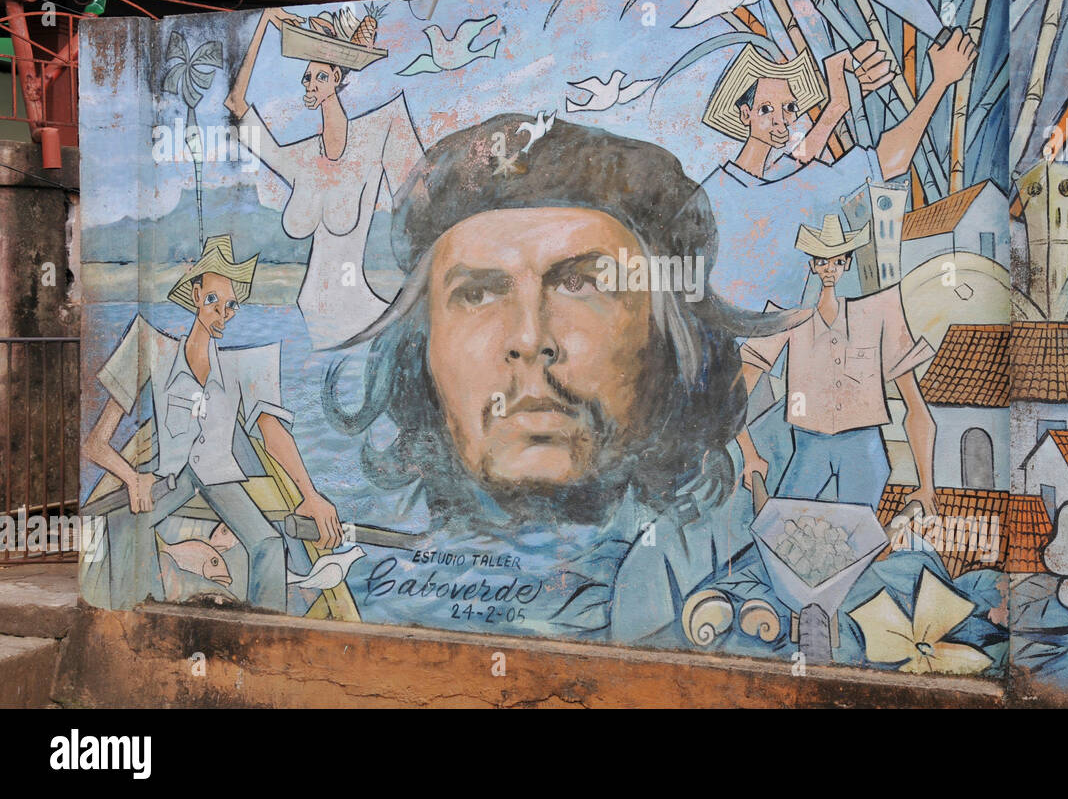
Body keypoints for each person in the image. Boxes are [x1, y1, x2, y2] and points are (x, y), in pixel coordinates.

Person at [323, 114, 797, 643]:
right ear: (423, 347)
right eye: (478, 293)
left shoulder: (747, 553)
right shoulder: (361, 577)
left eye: (579, 283)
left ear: (667, 335)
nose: (530, 338)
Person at [84, 235, 343, 611]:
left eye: (231, 305)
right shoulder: (150, 347)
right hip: (169, 478)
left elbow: (274, 435)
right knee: (126, 524)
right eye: (213, 301)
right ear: (195, 295)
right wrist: (131, 476)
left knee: (269, 544)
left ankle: (264, 635)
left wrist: (311, 495)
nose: (222, 313)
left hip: (221, 479)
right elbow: (95, 444)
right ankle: (128, 623)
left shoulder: (246, 364)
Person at [698, 33, 976, 312]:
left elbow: (794, 163)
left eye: (790, 108)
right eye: (766, 109)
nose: (782, 121)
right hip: (762, 340)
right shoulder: (793, 192)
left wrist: (837, 106)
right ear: (746, 115)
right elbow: (892, 160)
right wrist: (941, 81)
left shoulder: (718, 186)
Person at [225, 5, 425, 349]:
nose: (311, 84)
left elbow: (422, 206)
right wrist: (262, 23)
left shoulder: (380, 130)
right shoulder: (300, 159)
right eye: (306, 77)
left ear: (337, 77)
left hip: (363, 321)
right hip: (310, 324)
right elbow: (235, 101)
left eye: (320, 76)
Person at [735, 214, 937, 514]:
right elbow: (732, 397)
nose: (830, 268)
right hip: (808, 447)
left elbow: (917, 408)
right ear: (812, 265)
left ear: (848, 263)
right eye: (822, 261)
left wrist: (926, 483)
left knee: (857, 540)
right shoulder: (790, 318)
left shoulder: (879, 311)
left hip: (864, 450)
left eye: (838, 261)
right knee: (783, 531)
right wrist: (749, 455)